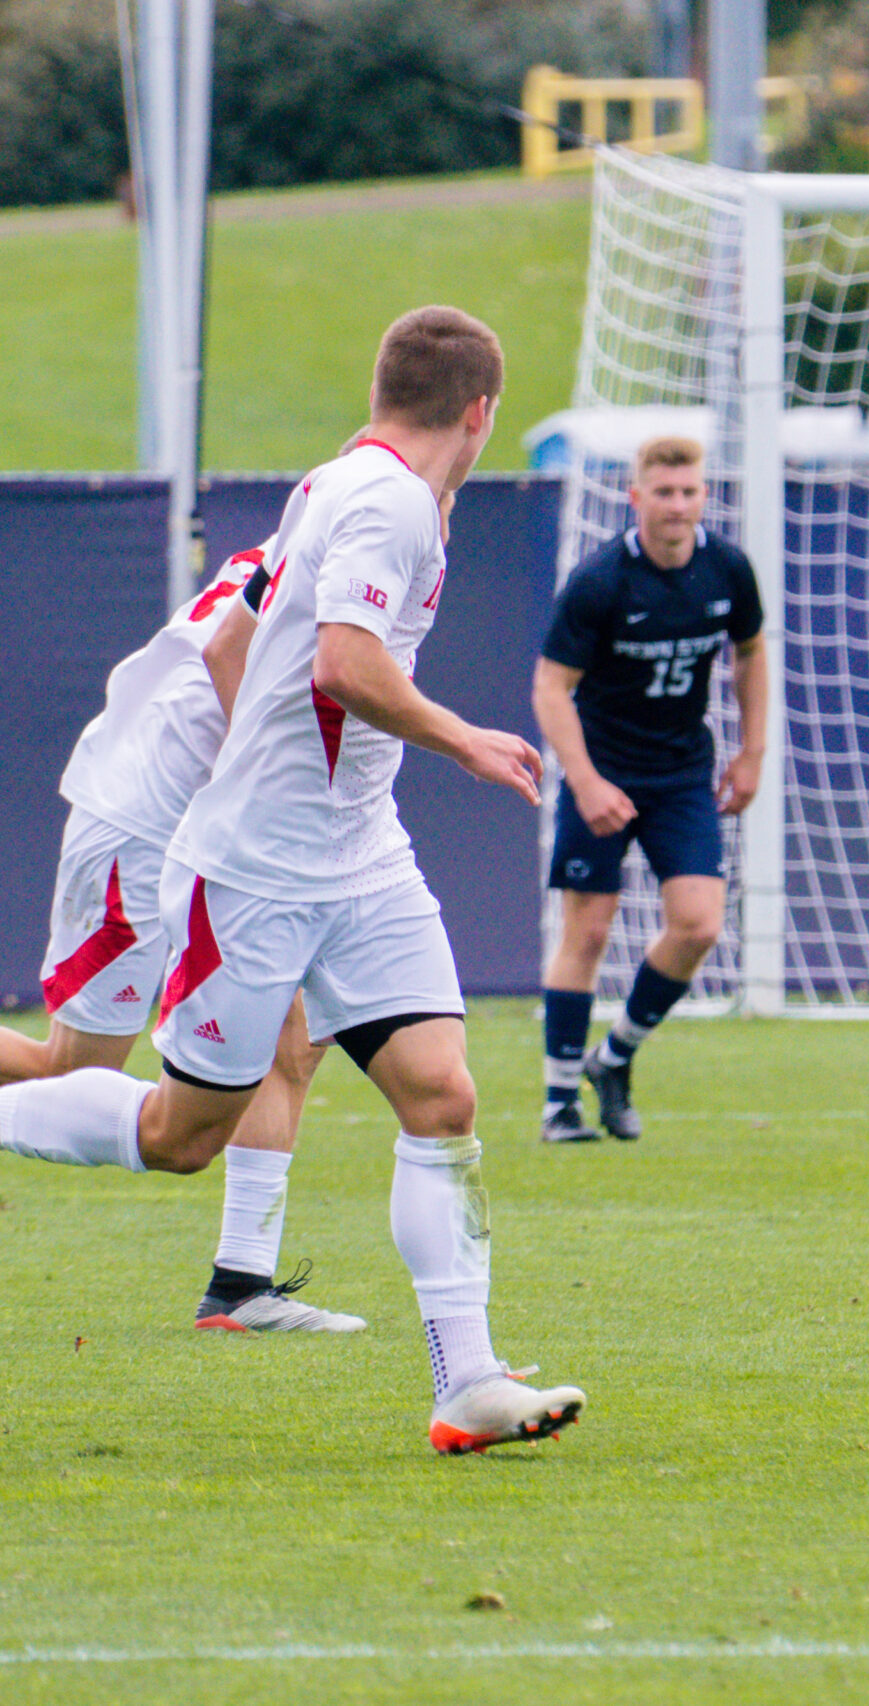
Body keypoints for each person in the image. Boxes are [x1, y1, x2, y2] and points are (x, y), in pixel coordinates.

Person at [0, 307, 586, 1455]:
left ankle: (465, 1380)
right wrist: (462, 738)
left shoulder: (357, 483)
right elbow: (344, 664)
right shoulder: (387, 502)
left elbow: (262, 640)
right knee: (180, 1132)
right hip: (259, 864)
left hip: (360, 850)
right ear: (479, 413)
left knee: (441, 1092)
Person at [11, 534, 360, 1332]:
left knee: (291, 1042)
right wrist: (275, 780)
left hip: (215, 827)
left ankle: (241, 1288)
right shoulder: (343, 545)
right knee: (71, 1067)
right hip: (140, 820)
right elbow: (223, 653)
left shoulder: (323, 536)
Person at [530, 435, 766, 1143]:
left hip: (681, 773)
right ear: (636, 498)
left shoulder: (726, 569)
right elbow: (550, 686)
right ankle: (559, 1104)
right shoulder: (601, 581)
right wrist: (585, 780)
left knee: (699, 924)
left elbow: (751, 652)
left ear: (703, 496)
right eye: (663, 492)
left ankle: (616, 1056)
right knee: (590, 930)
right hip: (601, 771)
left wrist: (752, 752)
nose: (678, 504)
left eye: (689, 491)